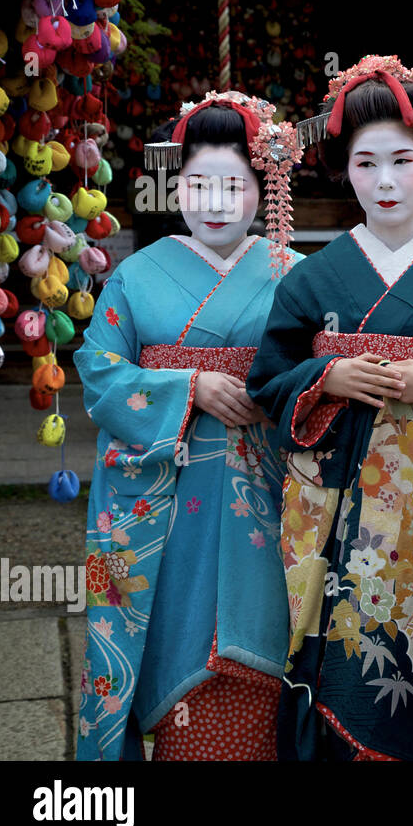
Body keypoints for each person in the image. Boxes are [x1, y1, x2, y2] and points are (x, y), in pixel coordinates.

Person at [247, 55, 413, 761]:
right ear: (343, 170)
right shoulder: (315, 273)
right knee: (343, 671)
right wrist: (325, 377)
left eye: (401, 160)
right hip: (340, 520)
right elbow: (268, 379)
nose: (385, 182)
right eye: (365, 164)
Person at [76, 91, 303, 760]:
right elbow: (99, 370)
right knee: (170, 648)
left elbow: (323, 373)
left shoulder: (295, 275)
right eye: (197, 183)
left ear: (263, 190)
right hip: (164, 501)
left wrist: (280, 390)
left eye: (233, 185)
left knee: (271, 645)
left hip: (267, 495)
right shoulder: (136, 275)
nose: (214, 201)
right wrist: (190, 388)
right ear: (176, 186)